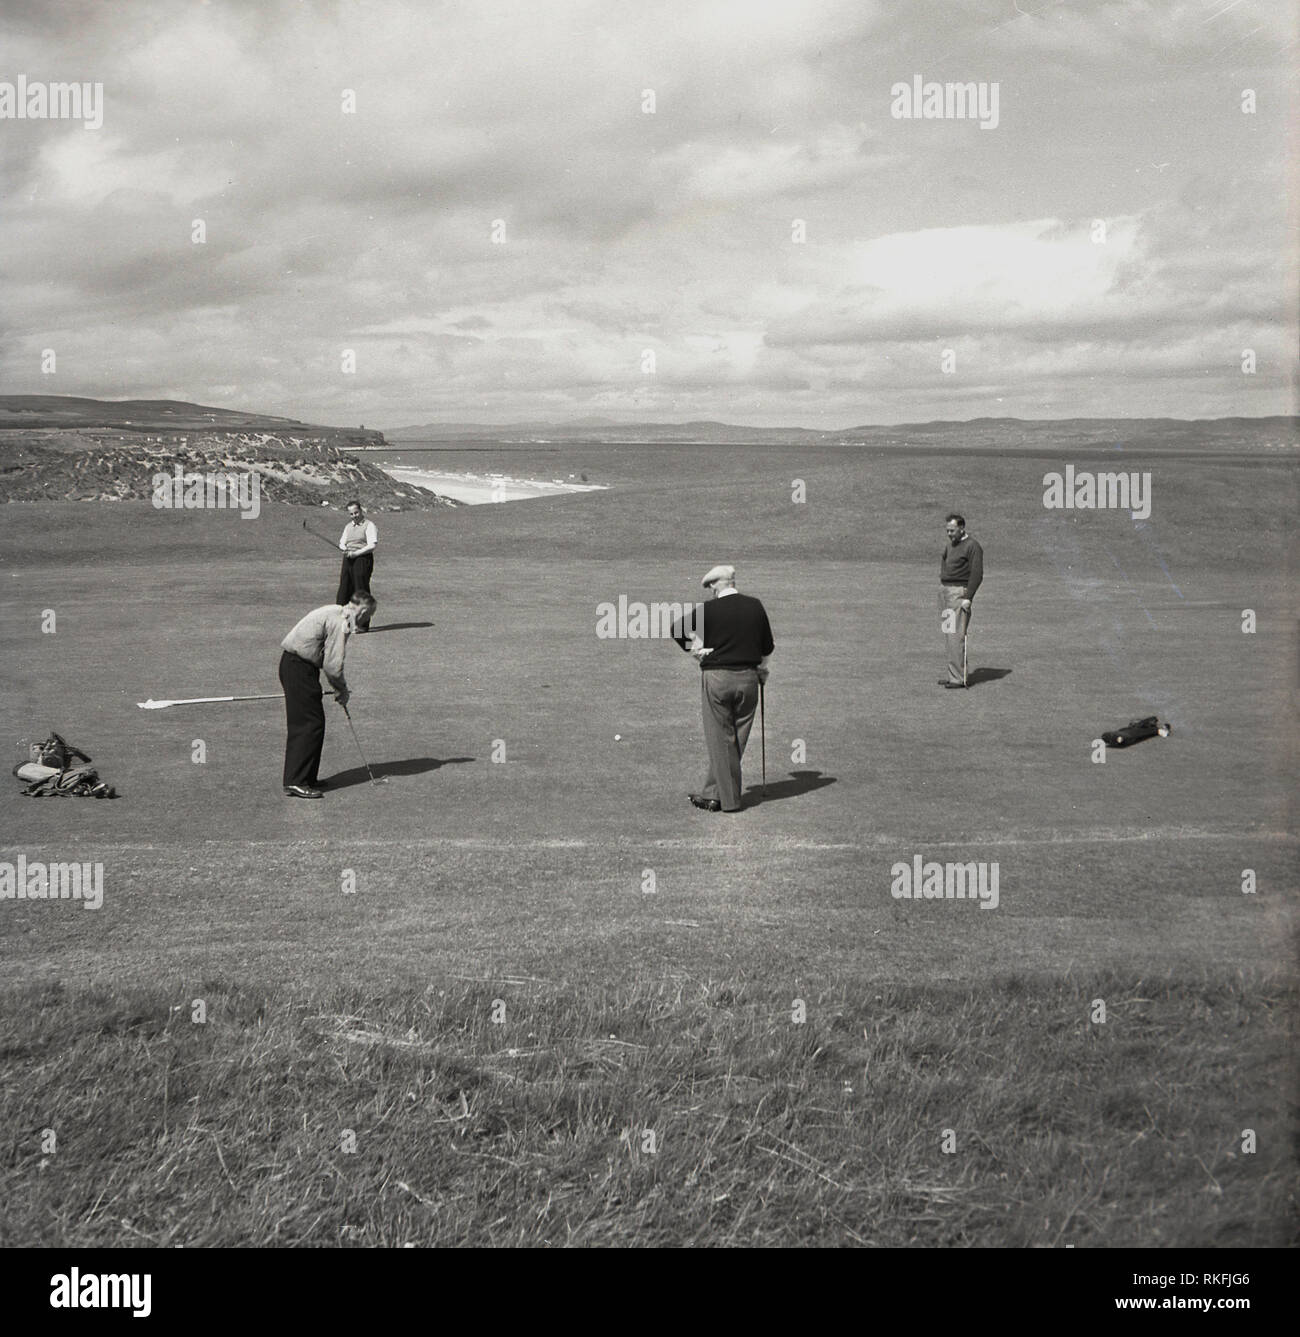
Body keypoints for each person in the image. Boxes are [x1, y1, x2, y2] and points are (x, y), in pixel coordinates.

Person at [671, 564, 774, 813]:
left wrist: (696, 652)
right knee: (734, 739)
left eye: (710, 586)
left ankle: (727, 801)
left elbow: (677, 629)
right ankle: (712, 792)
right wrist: (761, 670)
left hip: (717, 678)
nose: (710, 590)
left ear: (717, 584)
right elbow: (767, 648)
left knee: (720, 739)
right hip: (749, 679)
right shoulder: (755, 605)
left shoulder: (710, 609)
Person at [278, 592, 368, 798]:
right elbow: (333, 666)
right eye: (367, 615)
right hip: (297, 668)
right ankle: (296, 781)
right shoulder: (341, 622)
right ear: (360, 610)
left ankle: (308, 776)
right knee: (308, 724)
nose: (365, 620)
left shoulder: (335, 610)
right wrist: (342, 691)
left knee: (314, 722)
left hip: (296, 666)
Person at [938, 512, 984, 689]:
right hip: (946, 592)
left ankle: (958, 678)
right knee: (950, 634)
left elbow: (977, 574)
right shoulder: (951, 546)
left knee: (956, 635)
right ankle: (953, 675)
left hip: (959, 594)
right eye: (947, 531)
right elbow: (944, 562)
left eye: (952, 530)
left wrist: (968, 597)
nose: (949, 534)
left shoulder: (972, 546)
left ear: (962, 528)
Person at [336, 500, 378, 629]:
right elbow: (342, 542)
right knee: (344, 589)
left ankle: (363, 624)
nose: (354, 515)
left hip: (363, 559)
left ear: (361, 510)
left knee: (360, 590)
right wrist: (345, 549)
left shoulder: (369, 525)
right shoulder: (348, 526)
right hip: (348, 559)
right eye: (351, 514)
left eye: (356, 512)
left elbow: (372, 545)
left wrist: (357, 553)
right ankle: (342, 622)